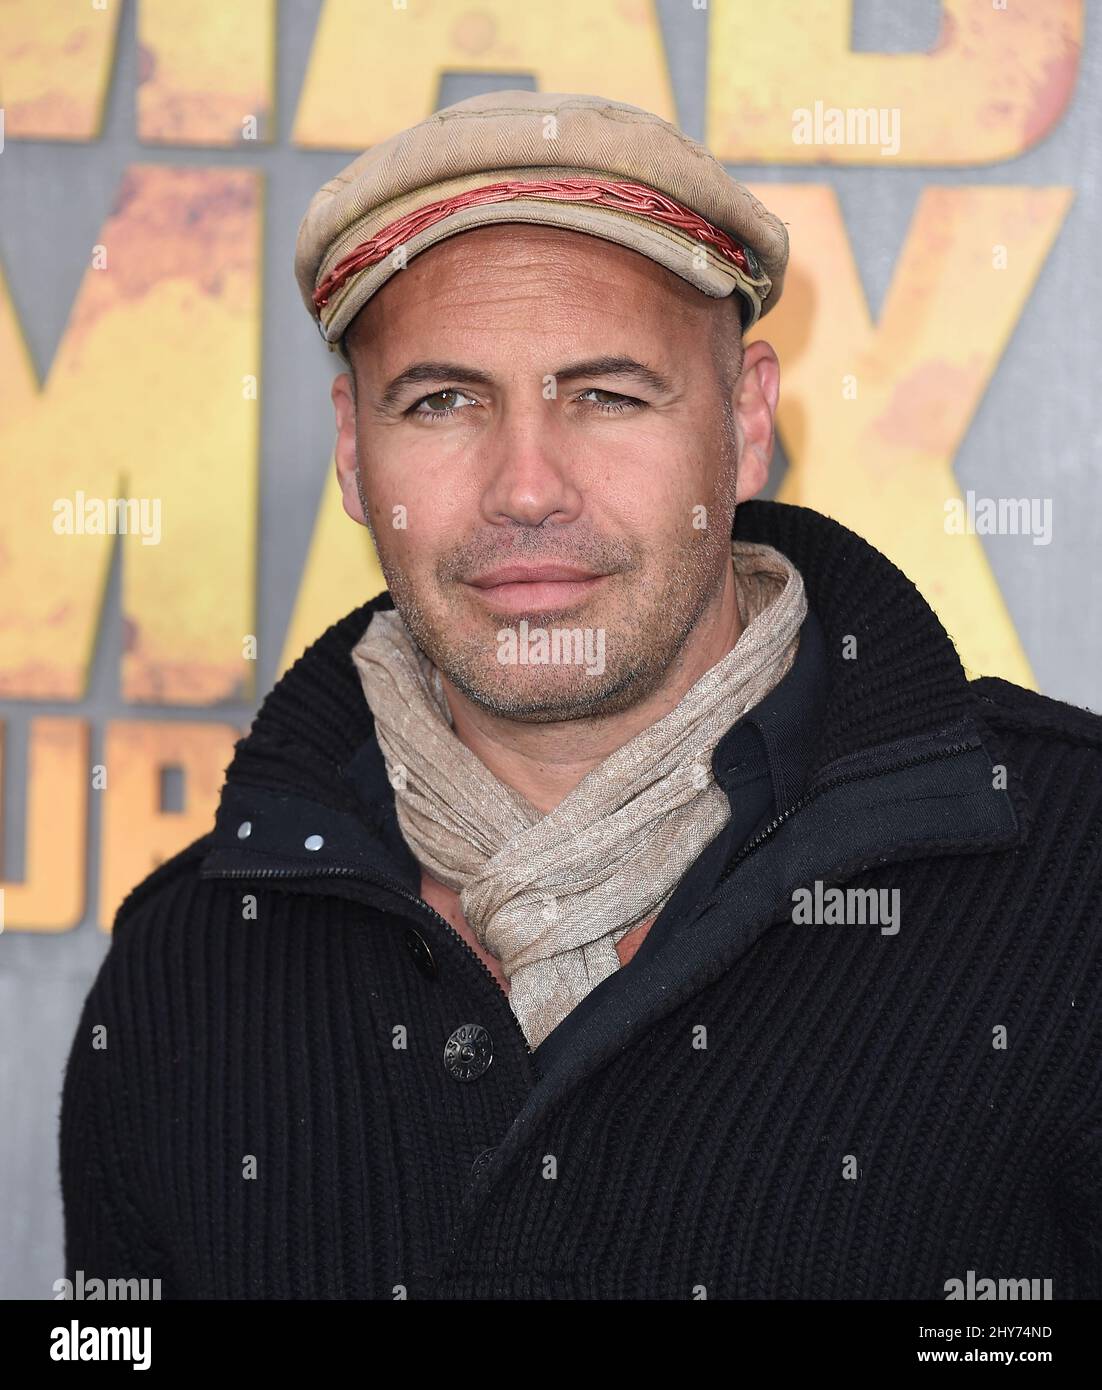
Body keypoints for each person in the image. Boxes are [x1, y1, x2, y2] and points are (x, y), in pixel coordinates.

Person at [60, 90, 1101, 1300]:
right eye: (442, 401)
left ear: (746, 421)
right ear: (354, 448)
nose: (527, 487)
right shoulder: (189, 960)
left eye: (607, 394)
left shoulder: (1072, 870)